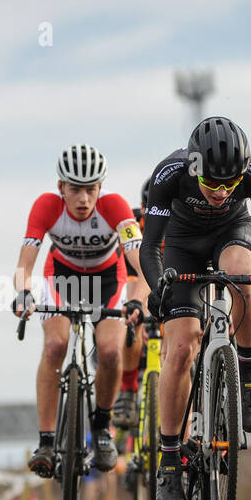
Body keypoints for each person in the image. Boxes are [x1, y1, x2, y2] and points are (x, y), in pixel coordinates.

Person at [140, 117, 251, 500]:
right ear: (194, 168)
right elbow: (150, 246)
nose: (222, 192)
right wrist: (159, 287)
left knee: (243, 276)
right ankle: (170, 459)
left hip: (232, 235)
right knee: (182, 347)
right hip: (182, 246)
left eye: (230, 184)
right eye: (212, 184)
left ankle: (249, 378)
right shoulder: (169, 173)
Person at [12, 144, 147, 478]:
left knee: (111, 351)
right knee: (55, 346)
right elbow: (24, 265)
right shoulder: (45, 206)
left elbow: (142, 268)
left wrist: (138, 301)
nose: (84, 199)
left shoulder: (114, 207)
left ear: (101, 188)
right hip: (61, 278)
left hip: (107, 280)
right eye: (75, 189)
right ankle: (45, 442)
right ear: (61, 188)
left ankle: (102, 428)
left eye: (91, 189)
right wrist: (23, 293)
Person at [113, 175, 153, 431]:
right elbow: (128, 272)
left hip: (167, 284)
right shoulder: (130, 223)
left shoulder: (182, 226)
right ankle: (128, 389)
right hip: (133, 280)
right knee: (134, 314)